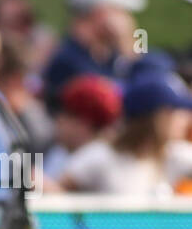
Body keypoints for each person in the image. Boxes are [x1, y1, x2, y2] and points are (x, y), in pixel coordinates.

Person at [60, 73, 192, 195]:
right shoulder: (100, 156)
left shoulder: (177, 156)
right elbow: (56, 199)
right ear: (156, 119)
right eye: (174, 112)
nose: (185, 119)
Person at [42, 0, 146, 107]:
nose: (127, 18)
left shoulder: (105, 53)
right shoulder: (68, 62)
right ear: (100, 13)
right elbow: (129, 96)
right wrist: (127, 41)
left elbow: (147, 71)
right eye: (120, 10)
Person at [40, 74, 122, 190]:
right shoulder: (61, 151)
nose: (59, 119)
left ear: (85, 122)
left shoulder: (97, 153)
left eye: (67, 113)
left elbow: (55, 196)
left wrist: (24, 174)